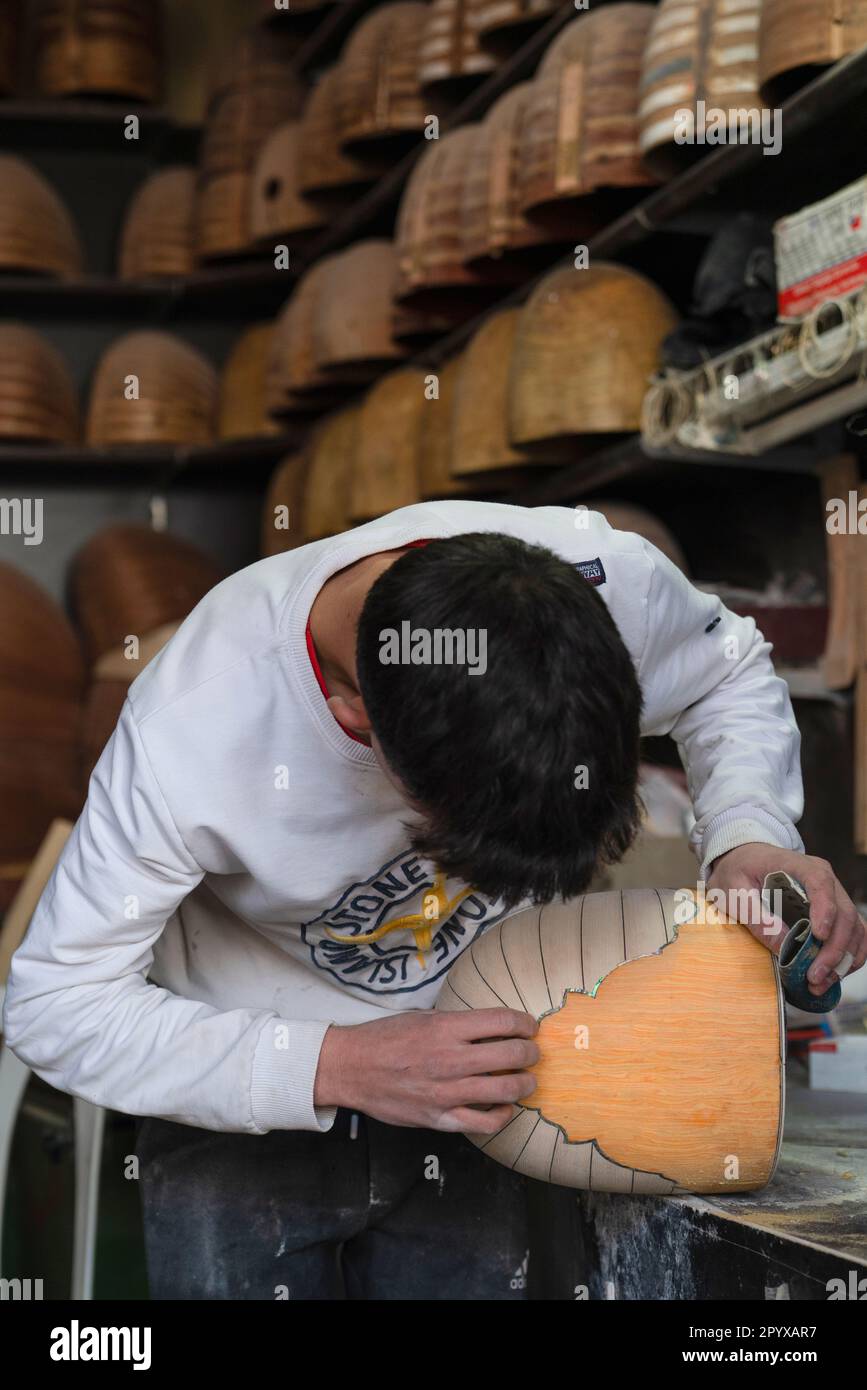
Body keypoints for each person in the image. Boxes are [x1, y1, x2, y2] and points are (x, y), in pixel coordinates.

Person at [4, 500, 865, 1300]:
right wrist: (335, 1064)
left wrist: (750, 832)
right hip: (241, 1109)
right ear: (354, 717)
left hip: (493, 1093)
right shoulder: (193, 728)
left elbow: (727, 671)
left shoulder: (607, 583)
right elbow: (53, 1003)